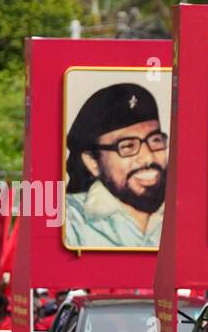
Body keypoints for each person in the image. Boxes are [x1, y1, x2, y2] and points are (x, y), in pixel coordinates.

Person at [64, 82, 168, 249]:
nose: (148, 157)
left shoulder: (187, 211)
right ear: (93, 162)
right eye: (127, 146)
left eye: (155, 140)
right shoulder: (69, 222)